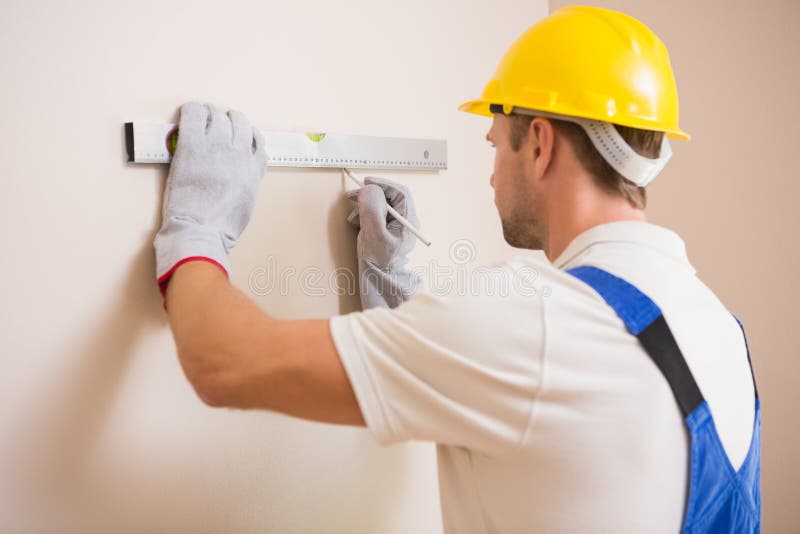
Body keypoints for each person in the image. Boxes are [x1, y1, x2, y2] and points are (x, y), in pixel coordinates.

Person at [154, 6, 760, 533]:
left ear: (541, 143)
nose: (492, 174)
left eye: (494, 143)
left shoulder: (533, 325)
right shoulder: (715, 326)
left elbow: (223, 361)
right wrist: (391, 284)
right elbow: (508, 393)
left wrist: (199, 228)